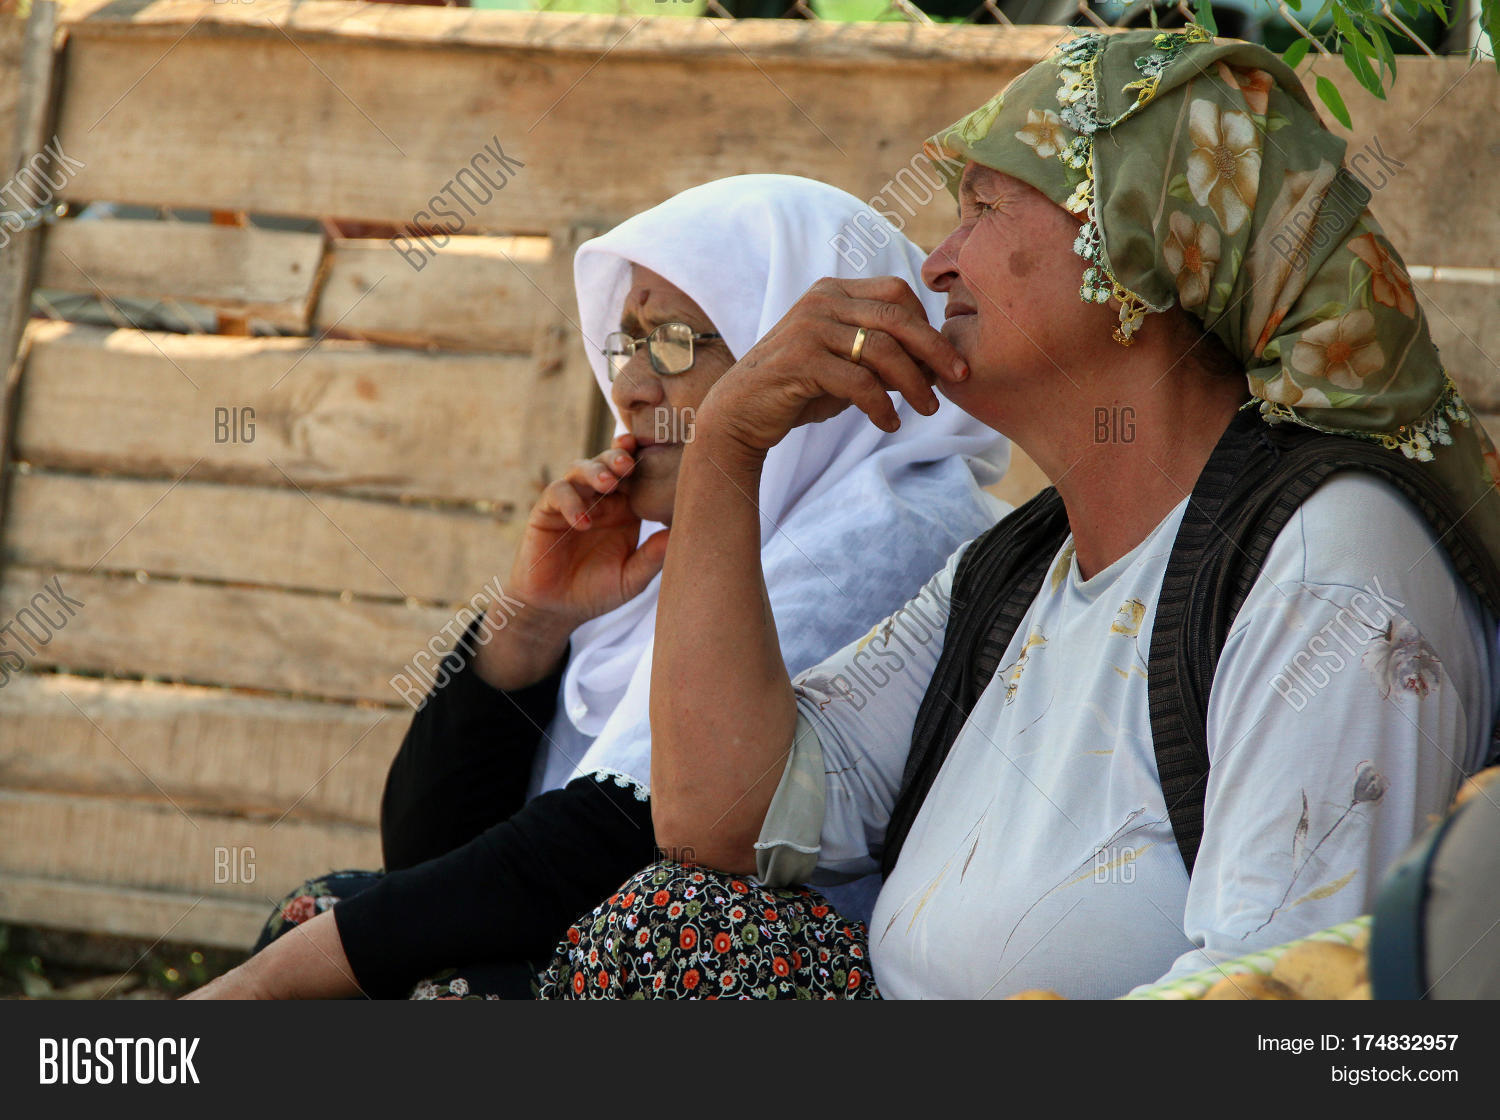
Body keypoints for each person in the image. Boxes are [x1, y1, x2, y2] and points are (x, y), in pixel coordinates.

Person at [539, 26, 1500, 1000]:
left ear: (1135, 247)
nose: (938, 264)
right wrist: (728, 445)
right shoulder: (1010, 574)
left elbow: (1287, 1008)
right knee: (672, 923)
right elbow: (715, 819)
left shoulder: (1327, 569)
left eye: (985, 208)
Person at [185, 174, 1010, 999]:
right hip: (605, 945)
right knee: (321, 910)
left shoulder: (892, 531)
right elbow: (428, 851)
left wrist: (258, 989)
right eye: (628, 344)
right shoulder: (684, 554)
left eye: (677, 343)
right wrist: (531, 626)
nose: (631, 386)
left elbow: (606, 846)